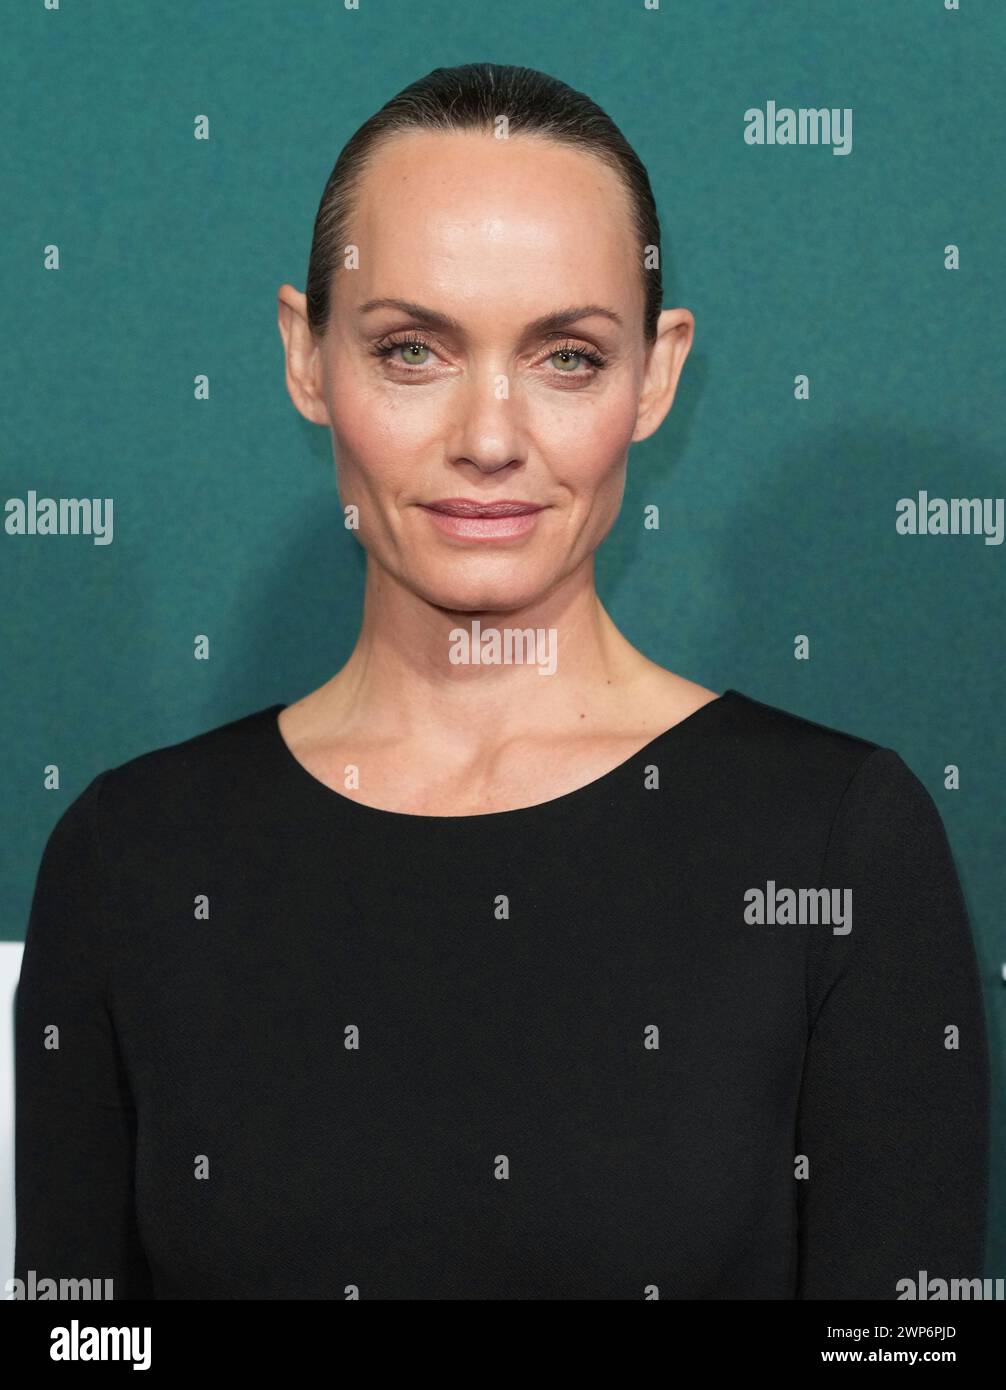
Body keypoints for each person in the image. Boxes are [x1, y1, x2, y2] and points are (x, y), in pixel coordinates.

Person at [14, 63, 989, 1300]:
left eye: (567, 357)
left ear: (657, 374)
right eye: (412, 348)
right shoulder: (130, 860)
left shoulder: (837, 842)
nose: (488, 436)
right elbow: (78, 1341)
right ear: (306, 358)